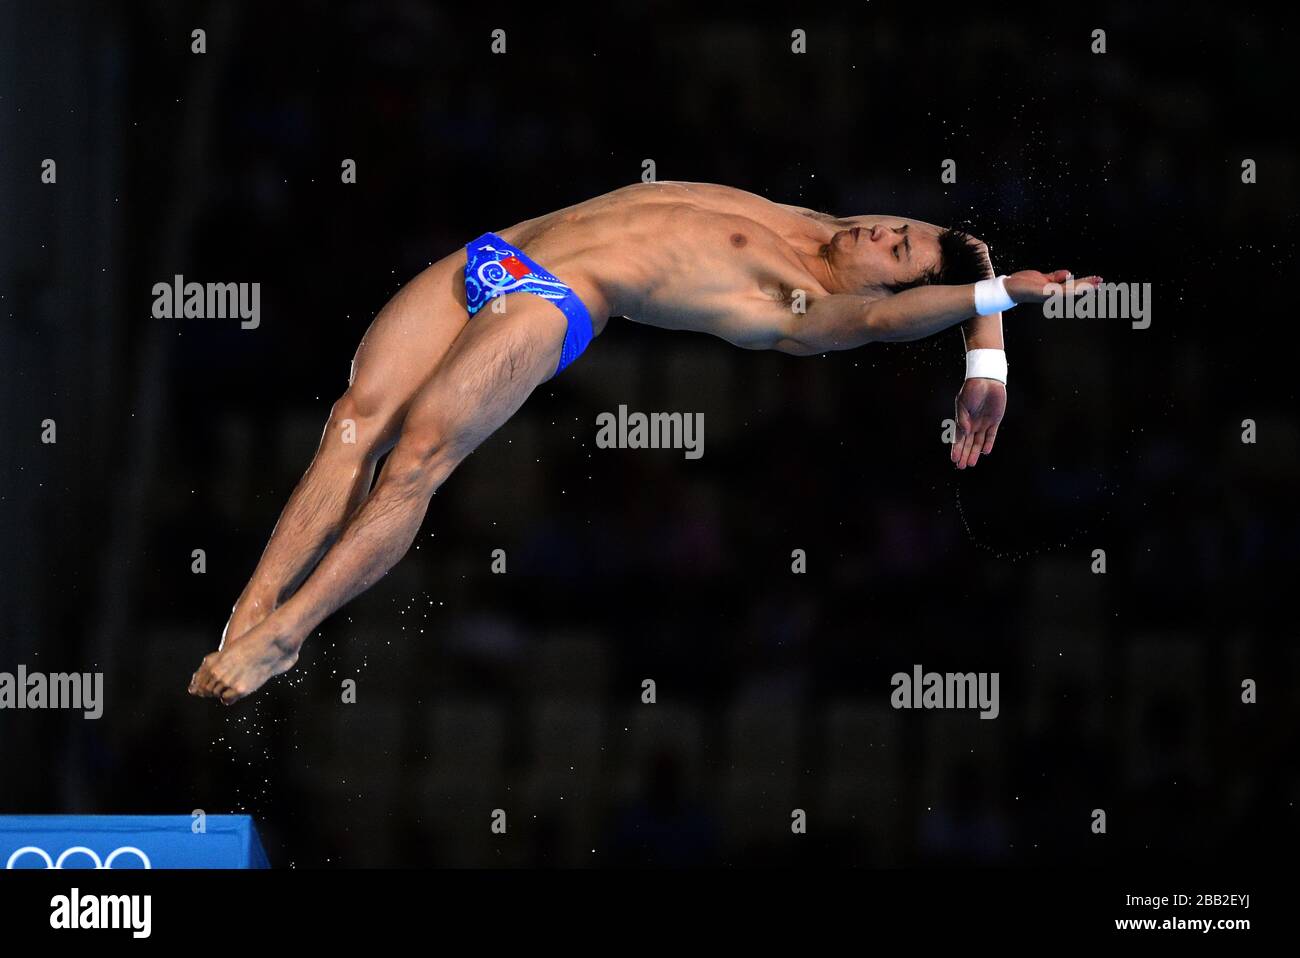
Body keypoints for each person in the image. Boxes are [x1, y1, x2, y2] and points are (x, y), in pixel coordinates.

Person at [188, 181, 1099, 703]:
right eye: (896, 226)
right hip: (501, 249)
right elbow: (967, 243)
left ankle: (289, 636)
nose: (880, 231)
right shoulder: (826, 230)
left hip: (551, 299)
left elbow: (932, 296)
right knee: (354, 421)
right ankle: (256, 609)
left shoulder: (818, 311)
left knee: (420, 456)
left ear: (890, 294)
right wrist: (992, 366)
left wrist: (996, 307)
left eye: (895, 248)